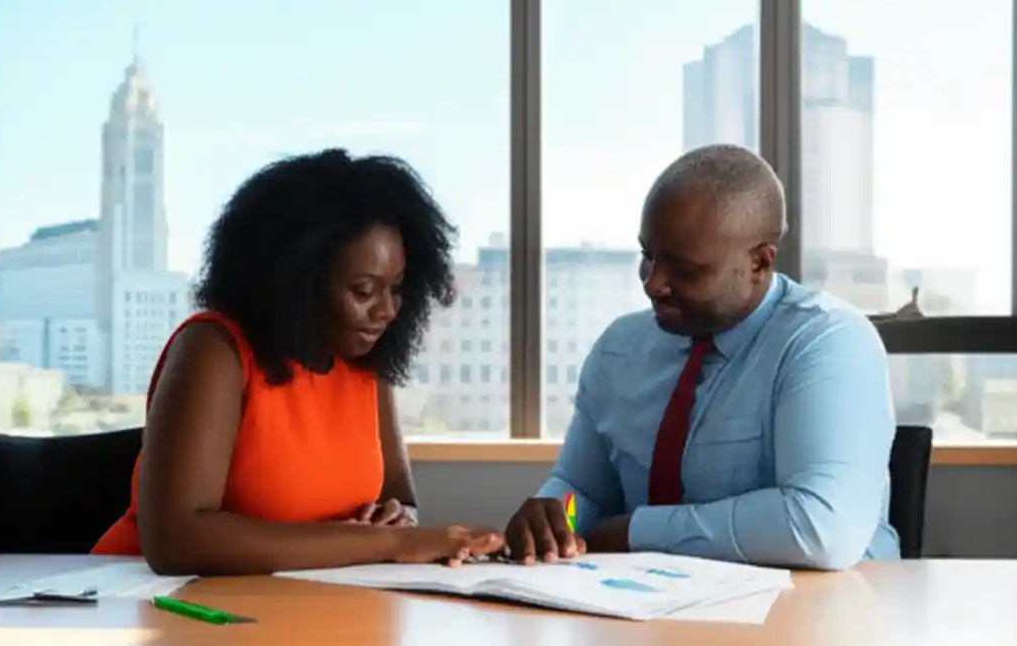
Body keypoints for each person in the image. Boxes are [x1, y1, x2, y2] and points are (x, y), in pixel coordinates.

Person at [93, 149, 503, 574]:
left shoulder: (366, 363)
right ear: (297, 281)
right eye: (363, 291)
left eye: (396, 288)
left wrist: (400, 520)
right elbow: (177, 540)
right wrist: (387, 542)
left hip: (300, 601)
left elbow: (400, 498)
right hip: (142, 600)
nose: (386, 311)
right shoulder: (215, 350)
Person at [504, 144, 898, 570]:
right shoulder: (619, 348)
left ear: (759, 263)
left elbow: (821, 529)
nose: (653, 284)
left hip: (824, 602)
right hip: (647, 597)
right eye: (648, 257)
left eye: (684, 271)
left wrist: (634, 532)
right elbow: (583, 492)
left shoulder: (827, 341)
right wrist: (556, 519)